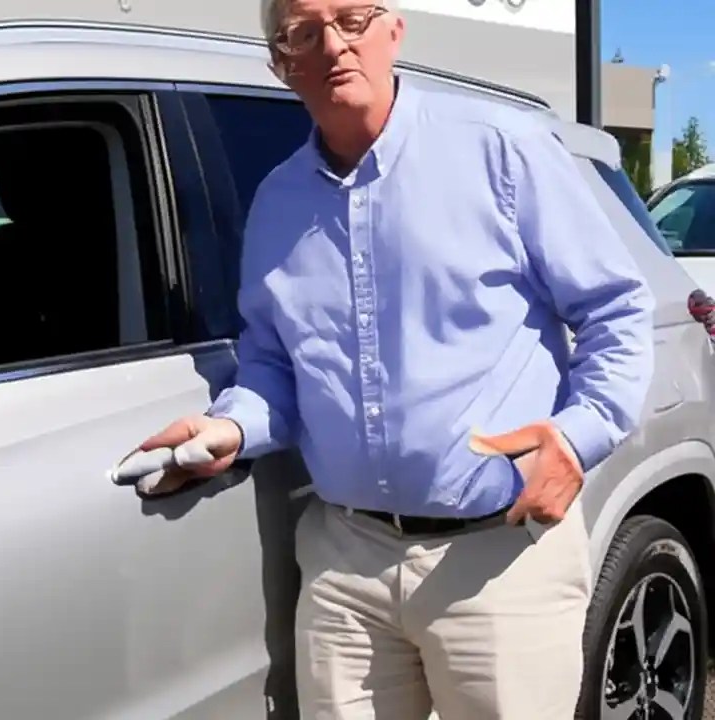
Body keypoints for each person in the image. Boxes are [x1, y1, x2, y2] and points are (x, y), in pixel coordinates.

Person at [132, 0, 656, 717]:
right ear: (282, 65)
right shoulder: (277, 203)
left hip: (498, 557)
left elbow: (616, 310)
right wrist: (232, 428)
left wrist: (576, 437)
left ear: (393, 31)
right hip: (345, 560)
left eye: (351, 19)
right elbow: (274, 365)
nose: (333, 46)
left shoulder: (502, 149)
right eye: (303, 34)